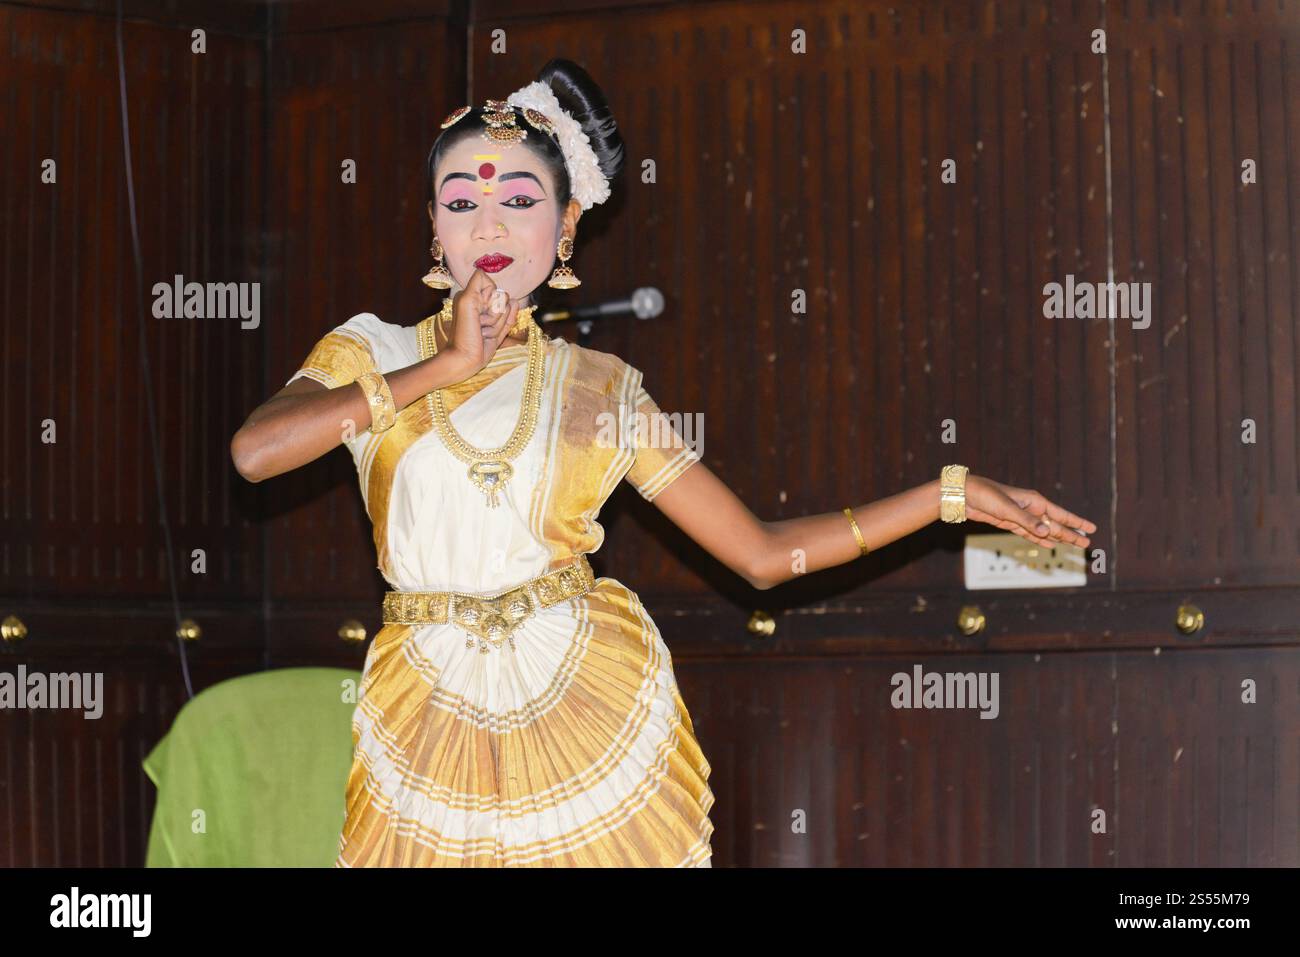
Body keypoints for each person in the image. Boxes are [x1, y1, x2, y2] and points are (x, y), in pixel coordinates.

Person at [230, 59, 1096, 867]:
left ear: (567, 224)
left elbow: (760, 554)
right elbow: (256, 452)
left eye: (520, 201)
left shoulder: (597, 387)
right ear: (431, 223)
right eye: (460, 202)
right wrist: (446, 368)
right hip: (424, 711)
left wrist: (948, 495)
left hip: (577, 699)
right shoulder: (372, 348)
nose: (487, 225)